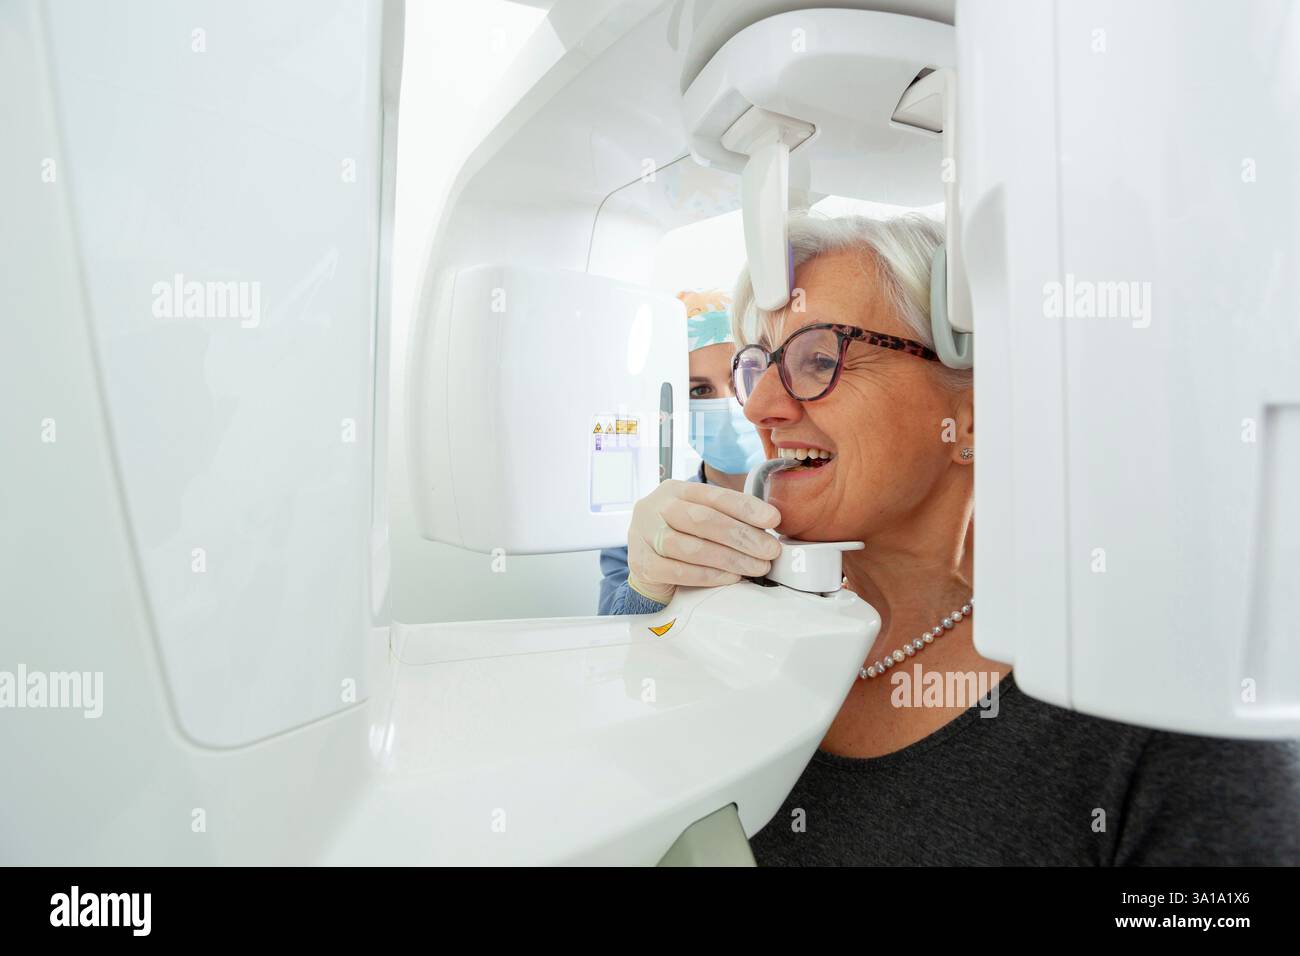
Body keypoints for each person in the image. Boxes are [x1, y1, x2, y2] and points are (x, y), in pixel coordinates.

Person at [605, 212, 1300, 865]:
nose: (757, 406)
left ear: (972, 417)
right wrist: (650, 601)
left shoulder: (1159, 702)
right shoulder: (744, 611)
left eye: (819, 360)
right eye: (757, 368)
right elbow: (619, 781)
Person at [597, 290, 766, 614]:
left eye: (742, 379)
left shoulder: (816, 499)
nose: (729, 404)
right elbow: (615, 644)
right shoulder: (648, 517)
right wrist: (646, 587)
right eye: (699, 390)